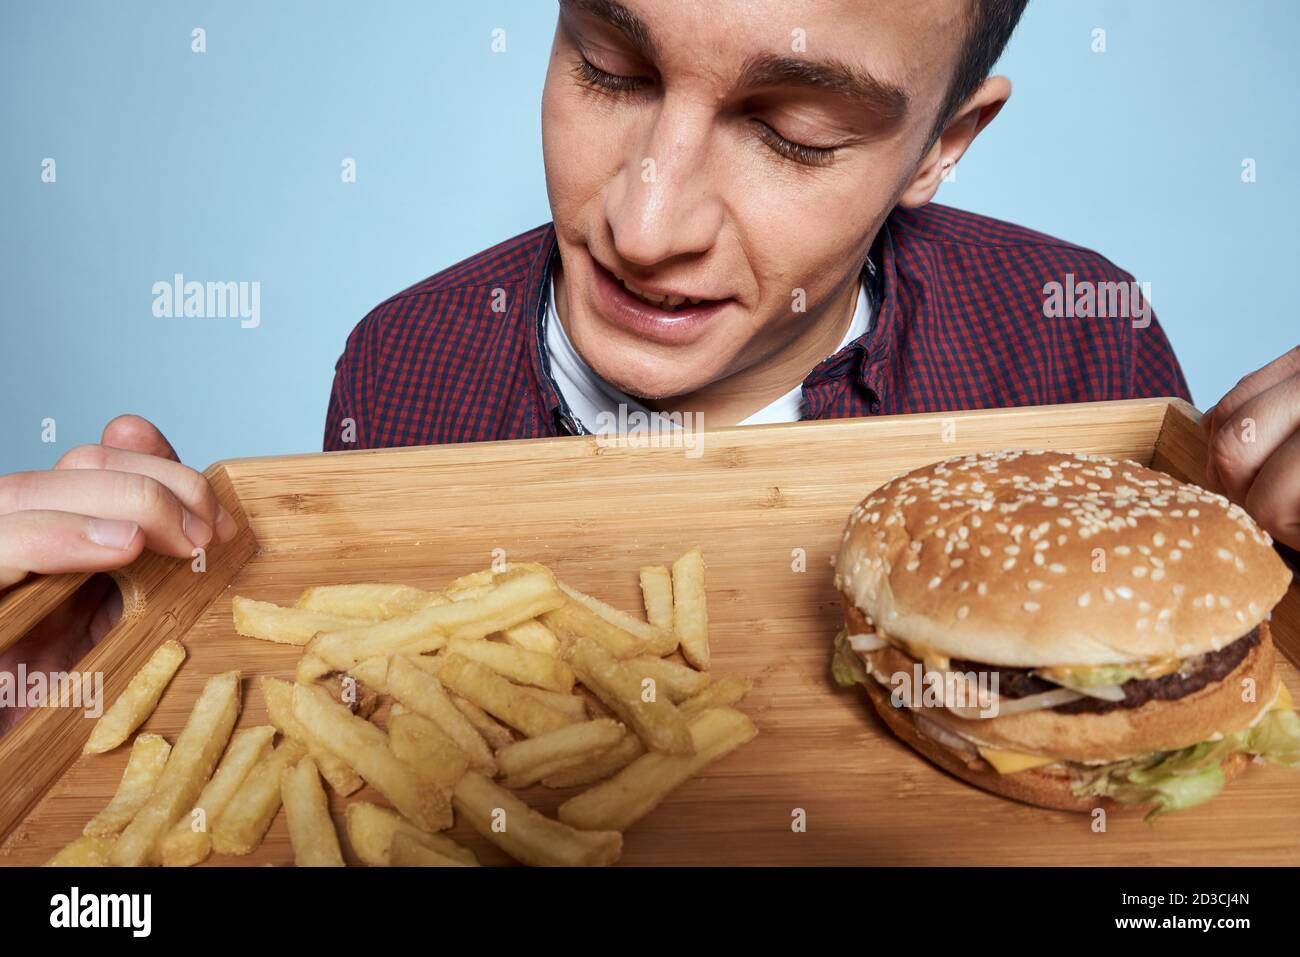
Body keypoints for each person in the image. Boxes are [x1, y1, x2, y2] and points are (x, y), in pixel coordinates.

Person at [0, 0, 1296, 719]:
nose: (642, 222)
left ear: (946, 144)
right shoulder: (397, 366)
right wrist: (83, 669)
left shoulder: (1080, 334)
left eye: (791, 132)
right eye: (609, 67)